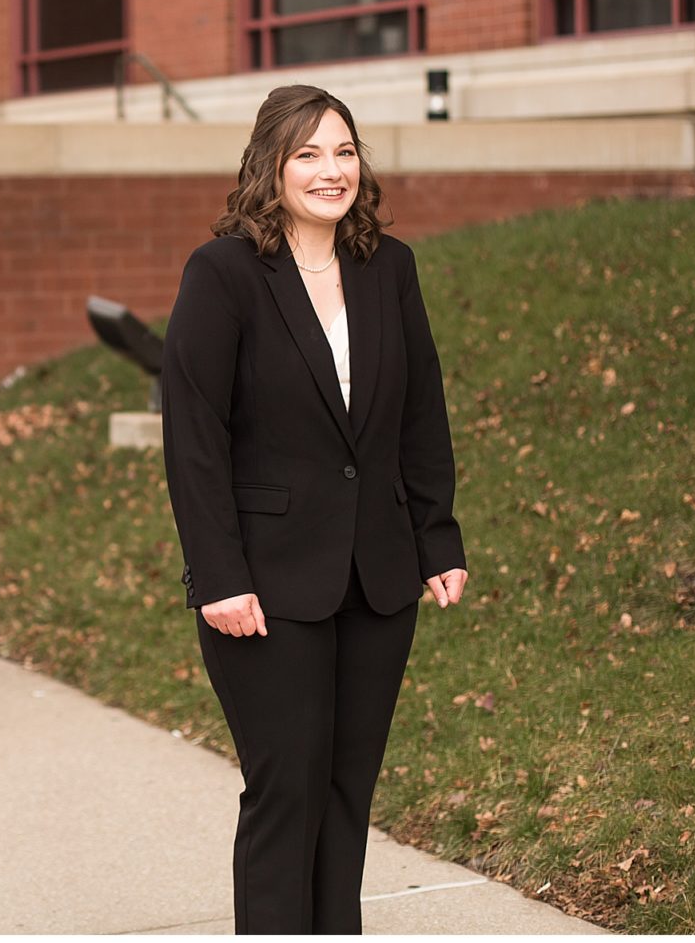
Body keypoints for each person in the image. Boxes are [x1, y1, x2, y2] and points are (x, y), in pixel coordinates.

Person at [160, 85, 468, 933]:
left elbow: (419, 412)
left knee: (345, 788)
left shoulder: (388, 267)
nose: (331, 170)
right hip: (263, 582)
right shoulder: (222, 273)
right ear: (271, 164)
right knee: (287, 785)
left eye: (343, 151)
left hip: (377, 575)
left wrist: (436, 539)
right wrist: (217, 574)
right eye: (309, 153)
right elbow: (194, 435)